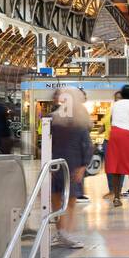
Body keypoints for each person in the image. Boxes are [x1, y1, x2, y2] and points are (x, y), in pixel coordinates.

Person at [48, 87, 92, 249]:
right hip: (67, 164)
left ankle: (64, 233)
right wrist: (83, 165)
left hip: (61, 163)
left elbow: (86, 144)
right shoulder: (76, 120)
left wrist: (82, 166)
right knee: (65, 200)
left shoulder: (57, 119)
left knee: (62, 200)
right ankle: (63, 233)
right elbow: (87, 144)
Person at [105, 84, 129, 207]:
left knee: (116, 167)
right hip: (128, 135)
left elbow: (111, 121)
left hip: (114, 134)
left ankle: (116, 198)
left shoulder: (116, 104)